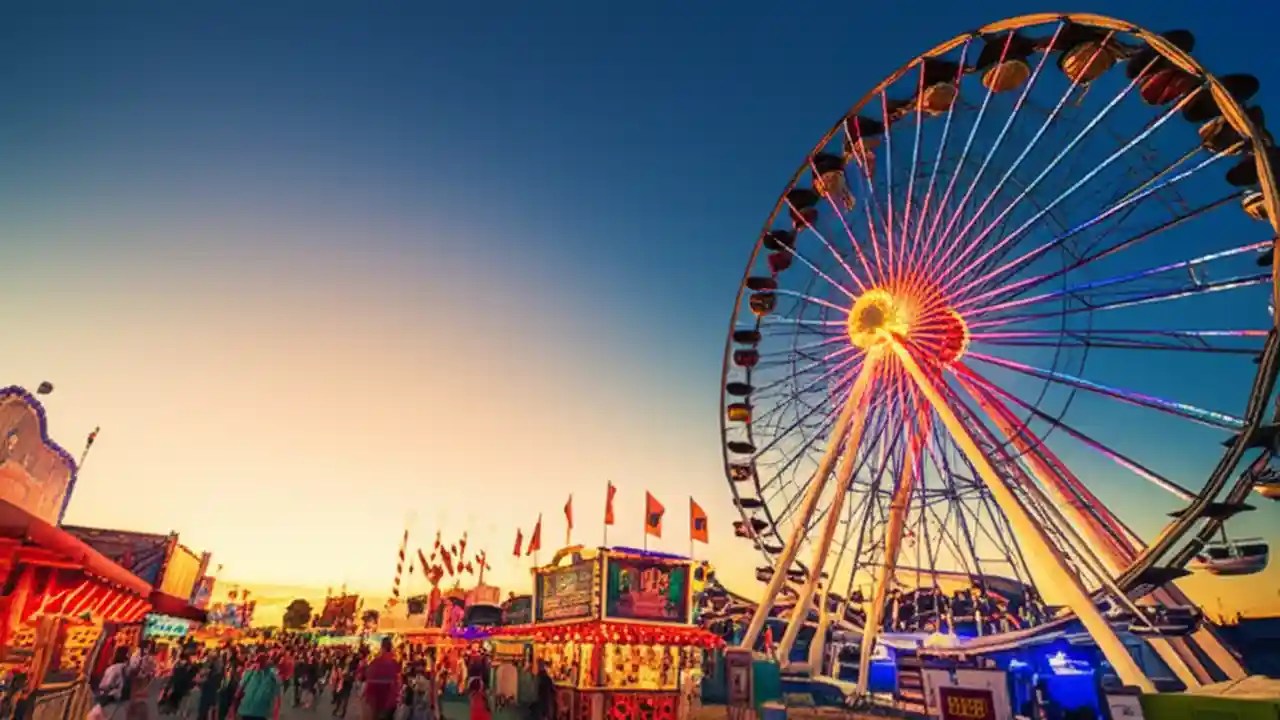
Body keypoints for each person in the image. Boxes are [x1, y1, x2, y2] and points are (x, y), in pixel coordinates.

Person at [361, 638, 402, 720]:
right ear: (391, 648)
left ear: (382, 647)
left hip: (375, 704)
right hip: (389, 704)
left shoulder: (375, 663)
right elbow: (398, 684)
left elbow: (368, 681)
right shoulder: (395, 664)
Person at [237, 654, 283, 720]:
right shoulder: (250, 673)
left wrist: (276, 715)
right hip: (247, 710)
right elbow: (239, 689)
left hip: (260, 712)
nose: (258, 664)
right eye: (256, 662)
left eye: (261, 662)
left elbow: (277, 697)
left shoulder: (273, 677)